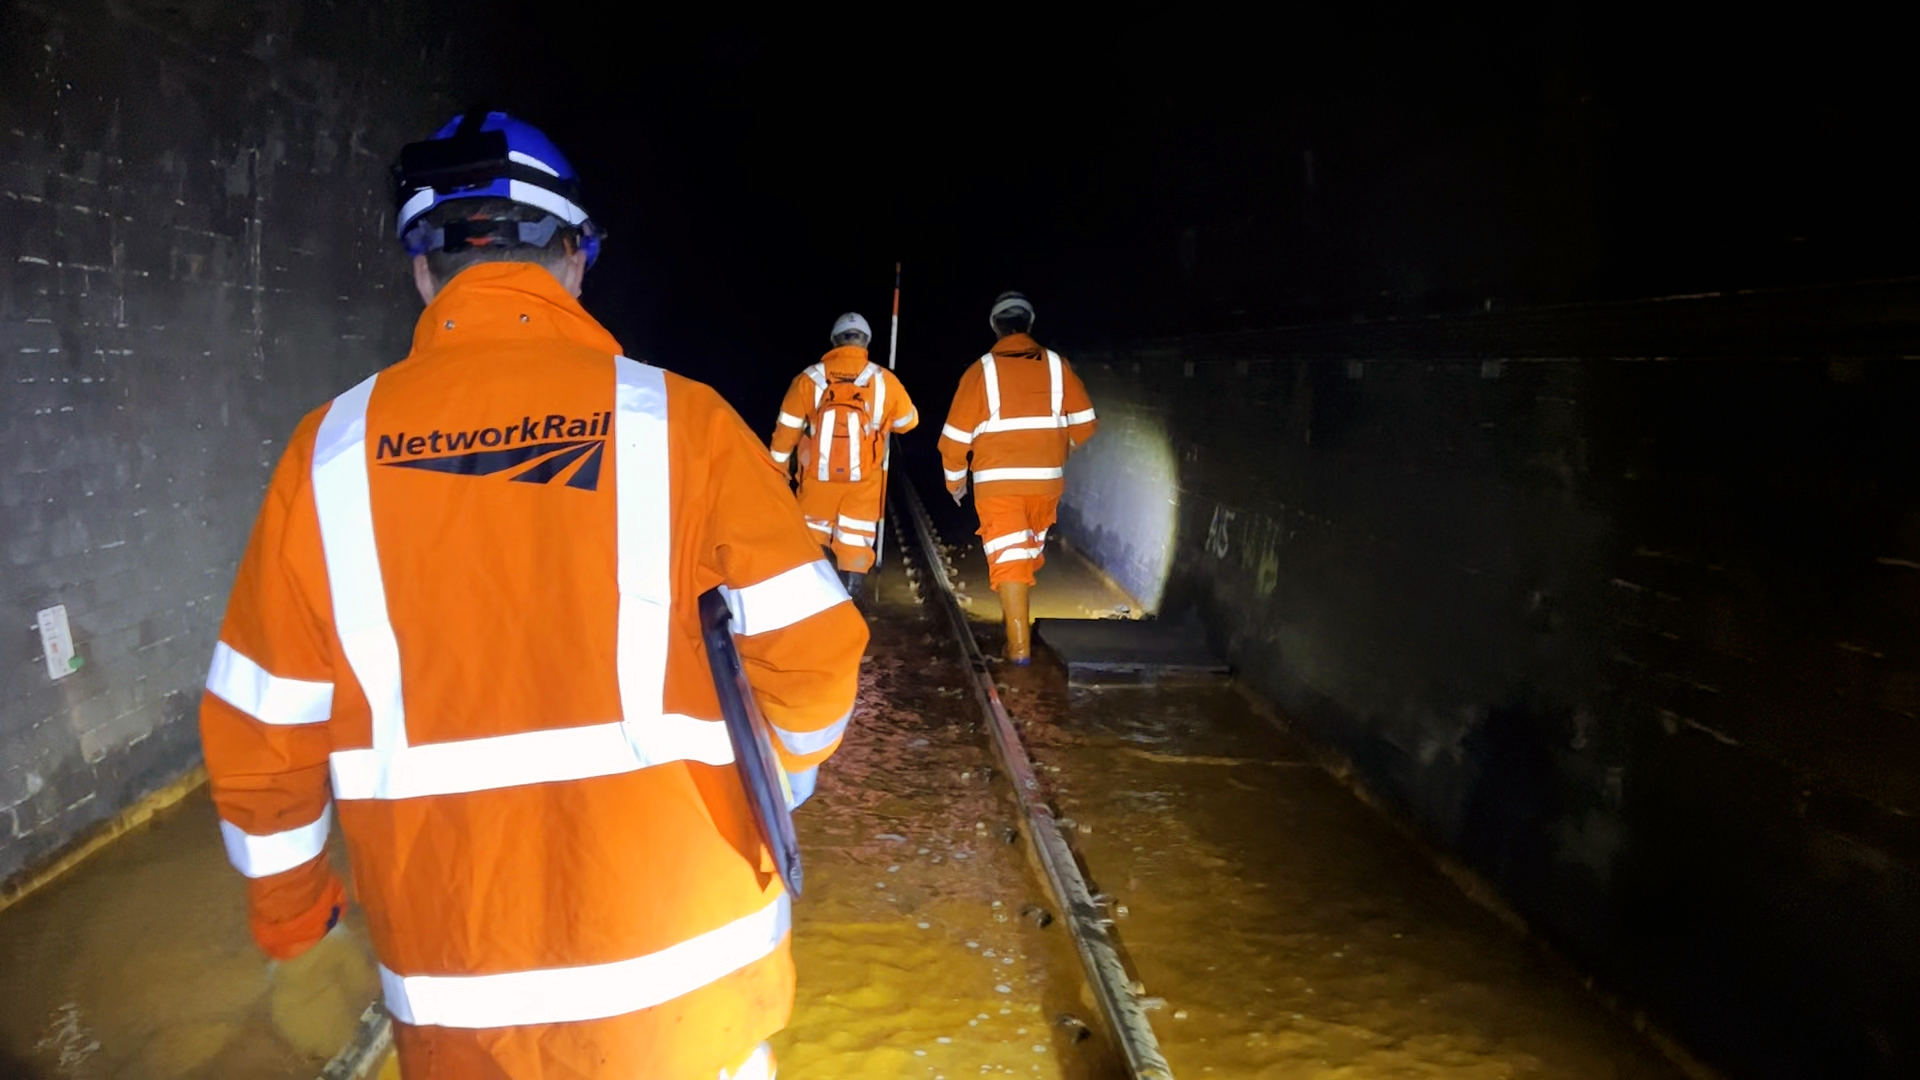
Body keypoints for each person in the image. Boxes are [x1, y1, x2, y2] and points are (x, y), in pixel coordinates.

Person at [197, 110, 866, 1080]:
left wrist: (297, 926)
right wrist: (783, 780)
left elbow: (261, 733)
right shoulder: (687, 424)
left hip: (465, 1021)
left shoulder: (325, 460)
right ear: (577, 259)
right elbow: (812, 659)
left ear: (423, 271)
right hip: (689, 1010)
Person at [936, 292, 1098, 663]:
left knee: (1010, 561)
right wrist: (1057, 449)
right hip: (1045, 485)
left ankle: (1019, 653)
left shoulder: (981, 371)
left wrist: (955, 481)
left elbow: (954, 441)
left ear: (995, 327)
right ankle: (1017, 640)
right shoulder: (1058, 366)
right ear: (1029, 324)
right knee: (1025, 556)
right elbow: (1085, 426)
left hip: (998, 486)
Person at [768, 312, 918, 599]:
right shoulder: (883, 380)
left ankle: (814, 606)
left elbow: (785, 432)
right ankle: (852, 606)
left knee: (812, 542)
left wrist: (775, 472)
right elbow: (909, 422)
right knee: (855, 544)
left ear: (835, 341)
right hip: (864, 483)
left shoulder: (809, 378)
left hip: (816, 481)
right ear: (865, 342)